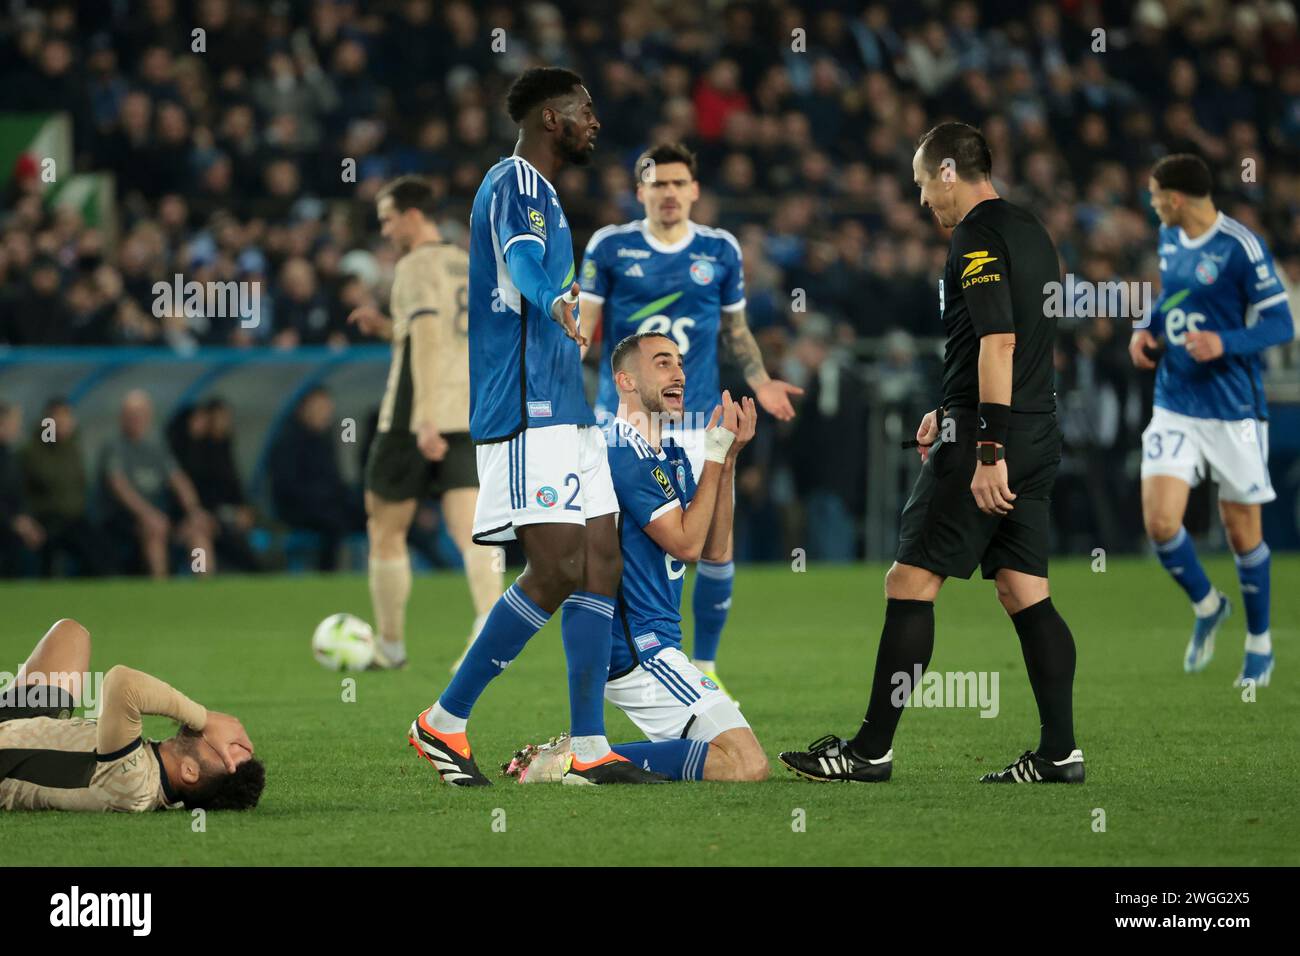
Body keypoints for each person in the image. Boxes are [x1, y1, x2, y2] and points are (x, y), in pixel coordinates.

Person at [780, 122, 1085, 784]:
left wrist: (984, 443)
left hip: (992, 436)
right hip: (1036, 429)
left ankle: (868, 751)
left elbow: (999, 342)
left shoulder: (976, 236)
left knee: (909, 581)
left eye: (922, 182)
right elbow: (1027, 345)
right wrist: (952, 409)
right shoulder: (1033, 230)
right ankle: (1060, 754)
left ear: (949, 172)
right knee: (1024, 590)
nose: (921, 199)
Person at [406, 67, 665, 786]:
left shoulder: (543, 192)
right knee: (554, 567)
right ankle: (443, 722)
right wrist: (555, 299)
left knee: (602, 560)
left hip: (567, 407)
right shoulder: (515, 182)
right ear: (552, 118)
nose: (596, 123)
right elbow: (522, 262)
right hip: (527, 410)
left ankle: (587, 748)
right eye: (585, 111)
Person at [579, 142, 803, 696]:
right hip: (625, 424)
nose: (670, 193)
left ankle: (703, 664)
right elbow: (583, 330)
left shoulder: (721, 250)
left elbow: (735, 329)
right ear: (641, 193)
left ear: (695, 190)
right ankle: (617, 660)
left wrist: (760, 380)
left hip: (697, 421)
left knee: (714, 545)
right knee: (613, 547)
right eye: (658, 184)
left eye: (679, 183)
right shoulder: (610, 247)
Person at [506, 333, 767, 783]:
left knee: (731, 757)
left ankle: (583, 753)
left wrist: (726, 459)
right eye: (663, 363)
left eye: (680, 363)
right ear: (625, 381)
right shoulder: (620, 450)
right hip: (638, 650)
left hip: (658, 644)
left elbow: (713, 549)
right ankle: (574, 761)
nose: (679, 374)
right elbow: (684, 545)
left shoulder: (668, 453)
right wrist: (714, 457)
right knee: (748, 765)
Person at [1129, 153, 1293, 686]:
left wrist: (1225, 341)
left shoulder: (1241, 248)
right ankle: (1207, 605)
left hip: (1233, 408)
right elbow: (1172, 295)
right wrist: (1147, 329)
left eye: (1155, 197)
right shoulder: (1171, 239)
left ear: (1175, 198)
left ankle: (1260, 643)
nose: (1153, 207)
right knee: (1159, 522)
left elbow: (1280, 324)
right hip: (1175, 399)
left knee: (1243, 533)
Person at [348, 175, 502, 670]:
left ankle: (390, 646)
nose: (386, 230)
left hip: (418, 415)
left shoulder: (414, 265)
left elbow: (431, 337)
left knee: (385, 528)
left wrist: (425, 420)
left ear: (413, 215)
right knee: (472, 529)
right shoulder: (465, 262)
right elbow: (445, 334)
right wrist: (390, 329)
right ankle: (488, 625)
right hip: (468, 410)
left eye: (389, 219)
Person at [1, 618, 264, 812]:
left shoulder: (134, 785)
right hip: (28, 723)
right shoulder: (157, 777)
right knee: (70, 634)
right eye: (237, 742)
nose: (219, 735)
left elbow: (122, 683)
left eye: (224, 748)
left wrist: (204, 718)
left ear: (190, 772)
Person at [99, 390, 217, 578]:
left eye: (141, 415)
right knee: (155, 528)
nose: (136, 419)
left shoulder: (156, 447)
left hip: (161, 515)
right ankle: (160, 585)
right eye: (132, 415)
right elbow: (119, 486)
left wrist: (194, 510)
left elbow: (179, 481)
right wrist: (147, 514)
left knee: (197, 529)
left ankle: (204, 584)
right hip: (125, 519)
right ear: (122, 417)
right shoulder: (114, 447)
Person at [269, 387, 363, 572]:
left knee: (366, 514)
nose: (326, 413)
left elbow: (334, 479)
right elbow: (287, 485)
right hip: (296, 509)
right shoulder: (287, 441)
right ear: (305, 408)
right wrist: (325, 497)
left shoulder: (326, 439)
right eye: (320, 408)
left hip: (327, 504)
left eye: (327, 408)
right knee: (333, 523)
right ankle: (327, 576)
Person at [19, 398, 110, 576]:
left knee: (101, 552)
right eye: (57, 418)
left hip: (75, 518)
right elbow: (44, 479)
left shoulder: (72, 448)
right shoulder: (34, 450)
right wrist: (51, 437)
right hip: (46, 519)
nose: (63, 423)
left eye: (66, 417)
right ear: (47, 421)